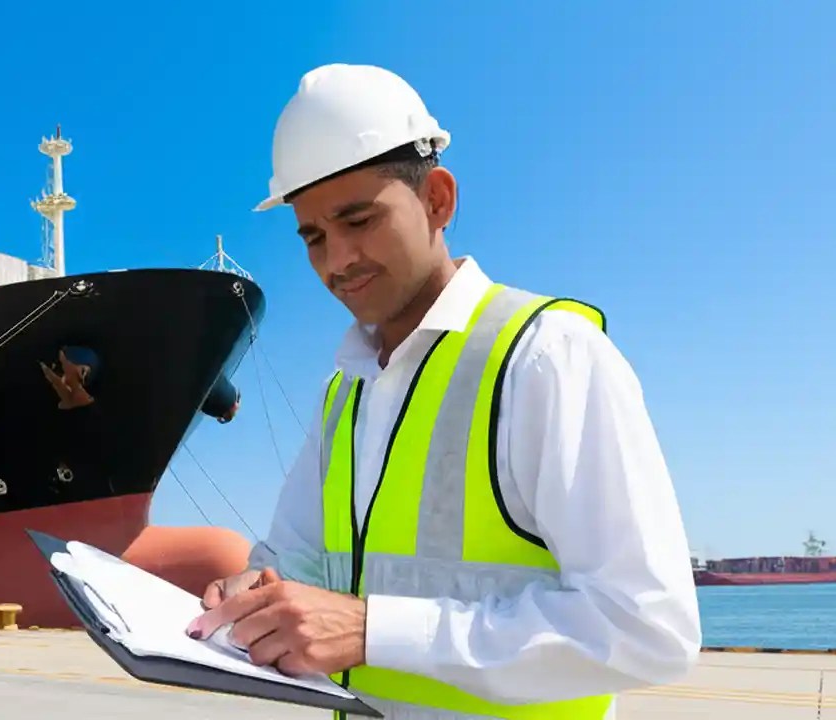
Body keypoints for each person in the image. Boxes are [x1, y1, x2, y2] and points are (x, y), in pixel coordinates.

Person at [186, 63, 702, 719]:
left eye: (359, 220)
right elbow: (295, 563)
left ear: (437, 199)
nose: (336, 260)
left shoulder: (547, 358)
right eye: (313, 237)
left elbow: (648, 630)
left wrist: (374, 630)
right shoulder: (346, 392)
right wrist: (254, 591)